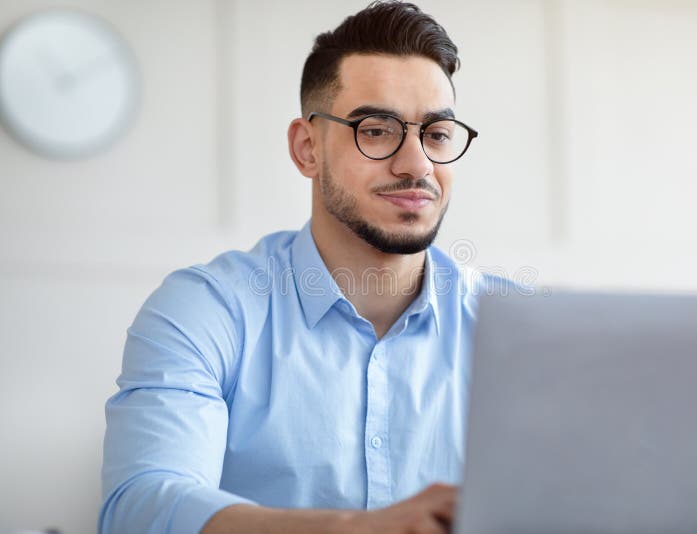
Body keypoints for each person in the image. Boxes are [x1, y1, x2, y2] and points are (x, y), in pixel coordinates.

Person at [99, 2, 503, 532]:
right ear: (307, 148)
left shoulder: (513, 331)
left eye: (437, 134)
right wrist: (358, 530)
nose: (417, 165)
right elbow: (141, 508)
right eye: (377, 130)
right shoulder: (205, 309)